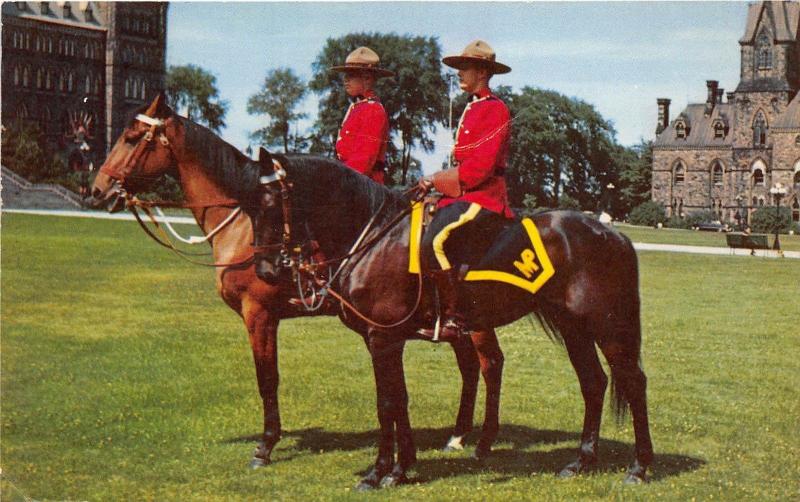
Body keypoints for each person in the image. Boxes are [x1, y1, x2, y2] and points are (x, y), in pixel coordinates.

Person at [417, 40, 514, 340]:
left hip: (485, 197)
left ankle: (455, 318)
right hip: (465, 194)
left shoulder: (495, 109)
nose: (459, 74)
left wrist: (437, 179)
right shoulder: (474, 107)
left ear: (482, 72)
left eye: (465, 68)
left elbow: (480, 170)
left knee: (434, 242)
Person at [330, 46, 393, 184]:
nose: (345, 80)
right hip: (350, 179)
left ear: (367, 78)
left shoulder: (373, 110)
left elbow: (363, 162)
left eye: (351, 75)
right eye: (345, 75)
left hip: (364, 186)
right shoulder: (358, 107)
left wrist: (337, 183)